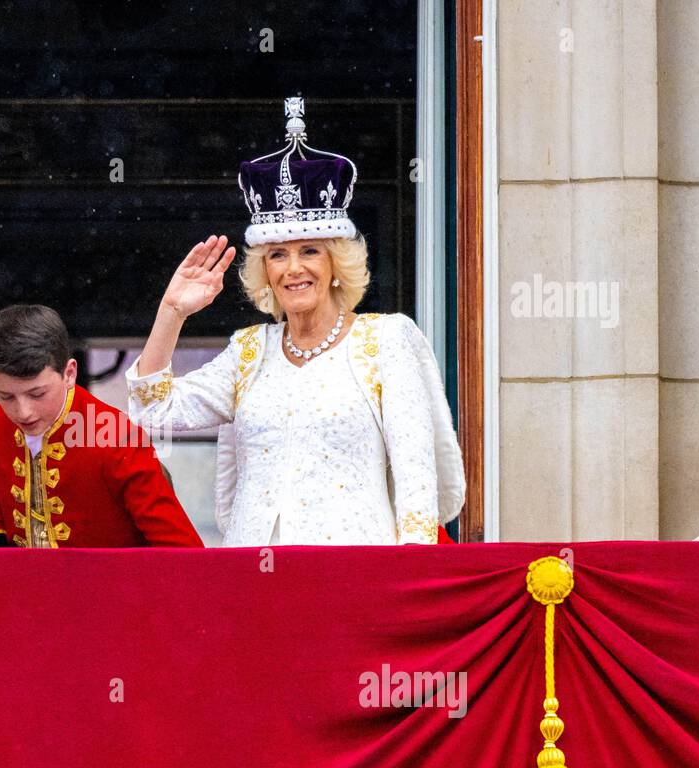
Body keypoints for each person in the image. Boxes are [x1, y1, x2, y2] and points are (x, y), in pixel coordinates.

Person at [125, 97, 464, 546]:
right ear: (264, 269)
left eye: (310, 251)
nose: (293, 268)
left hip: (354, 576)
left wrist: (410, 579)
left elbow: (416, 477)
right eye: (278, 255)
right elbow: (153, 410)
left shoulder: (384, 340)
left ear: (336, 262)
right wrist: (171, 313)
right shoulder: (249, 351)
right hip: (255, 578)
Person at [0, 304, 202, 548]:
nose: (23, 412)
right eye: (6, 396)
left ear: (70, 373)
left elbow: (182, 551)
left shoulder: (117, 437)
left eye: (37, 393)